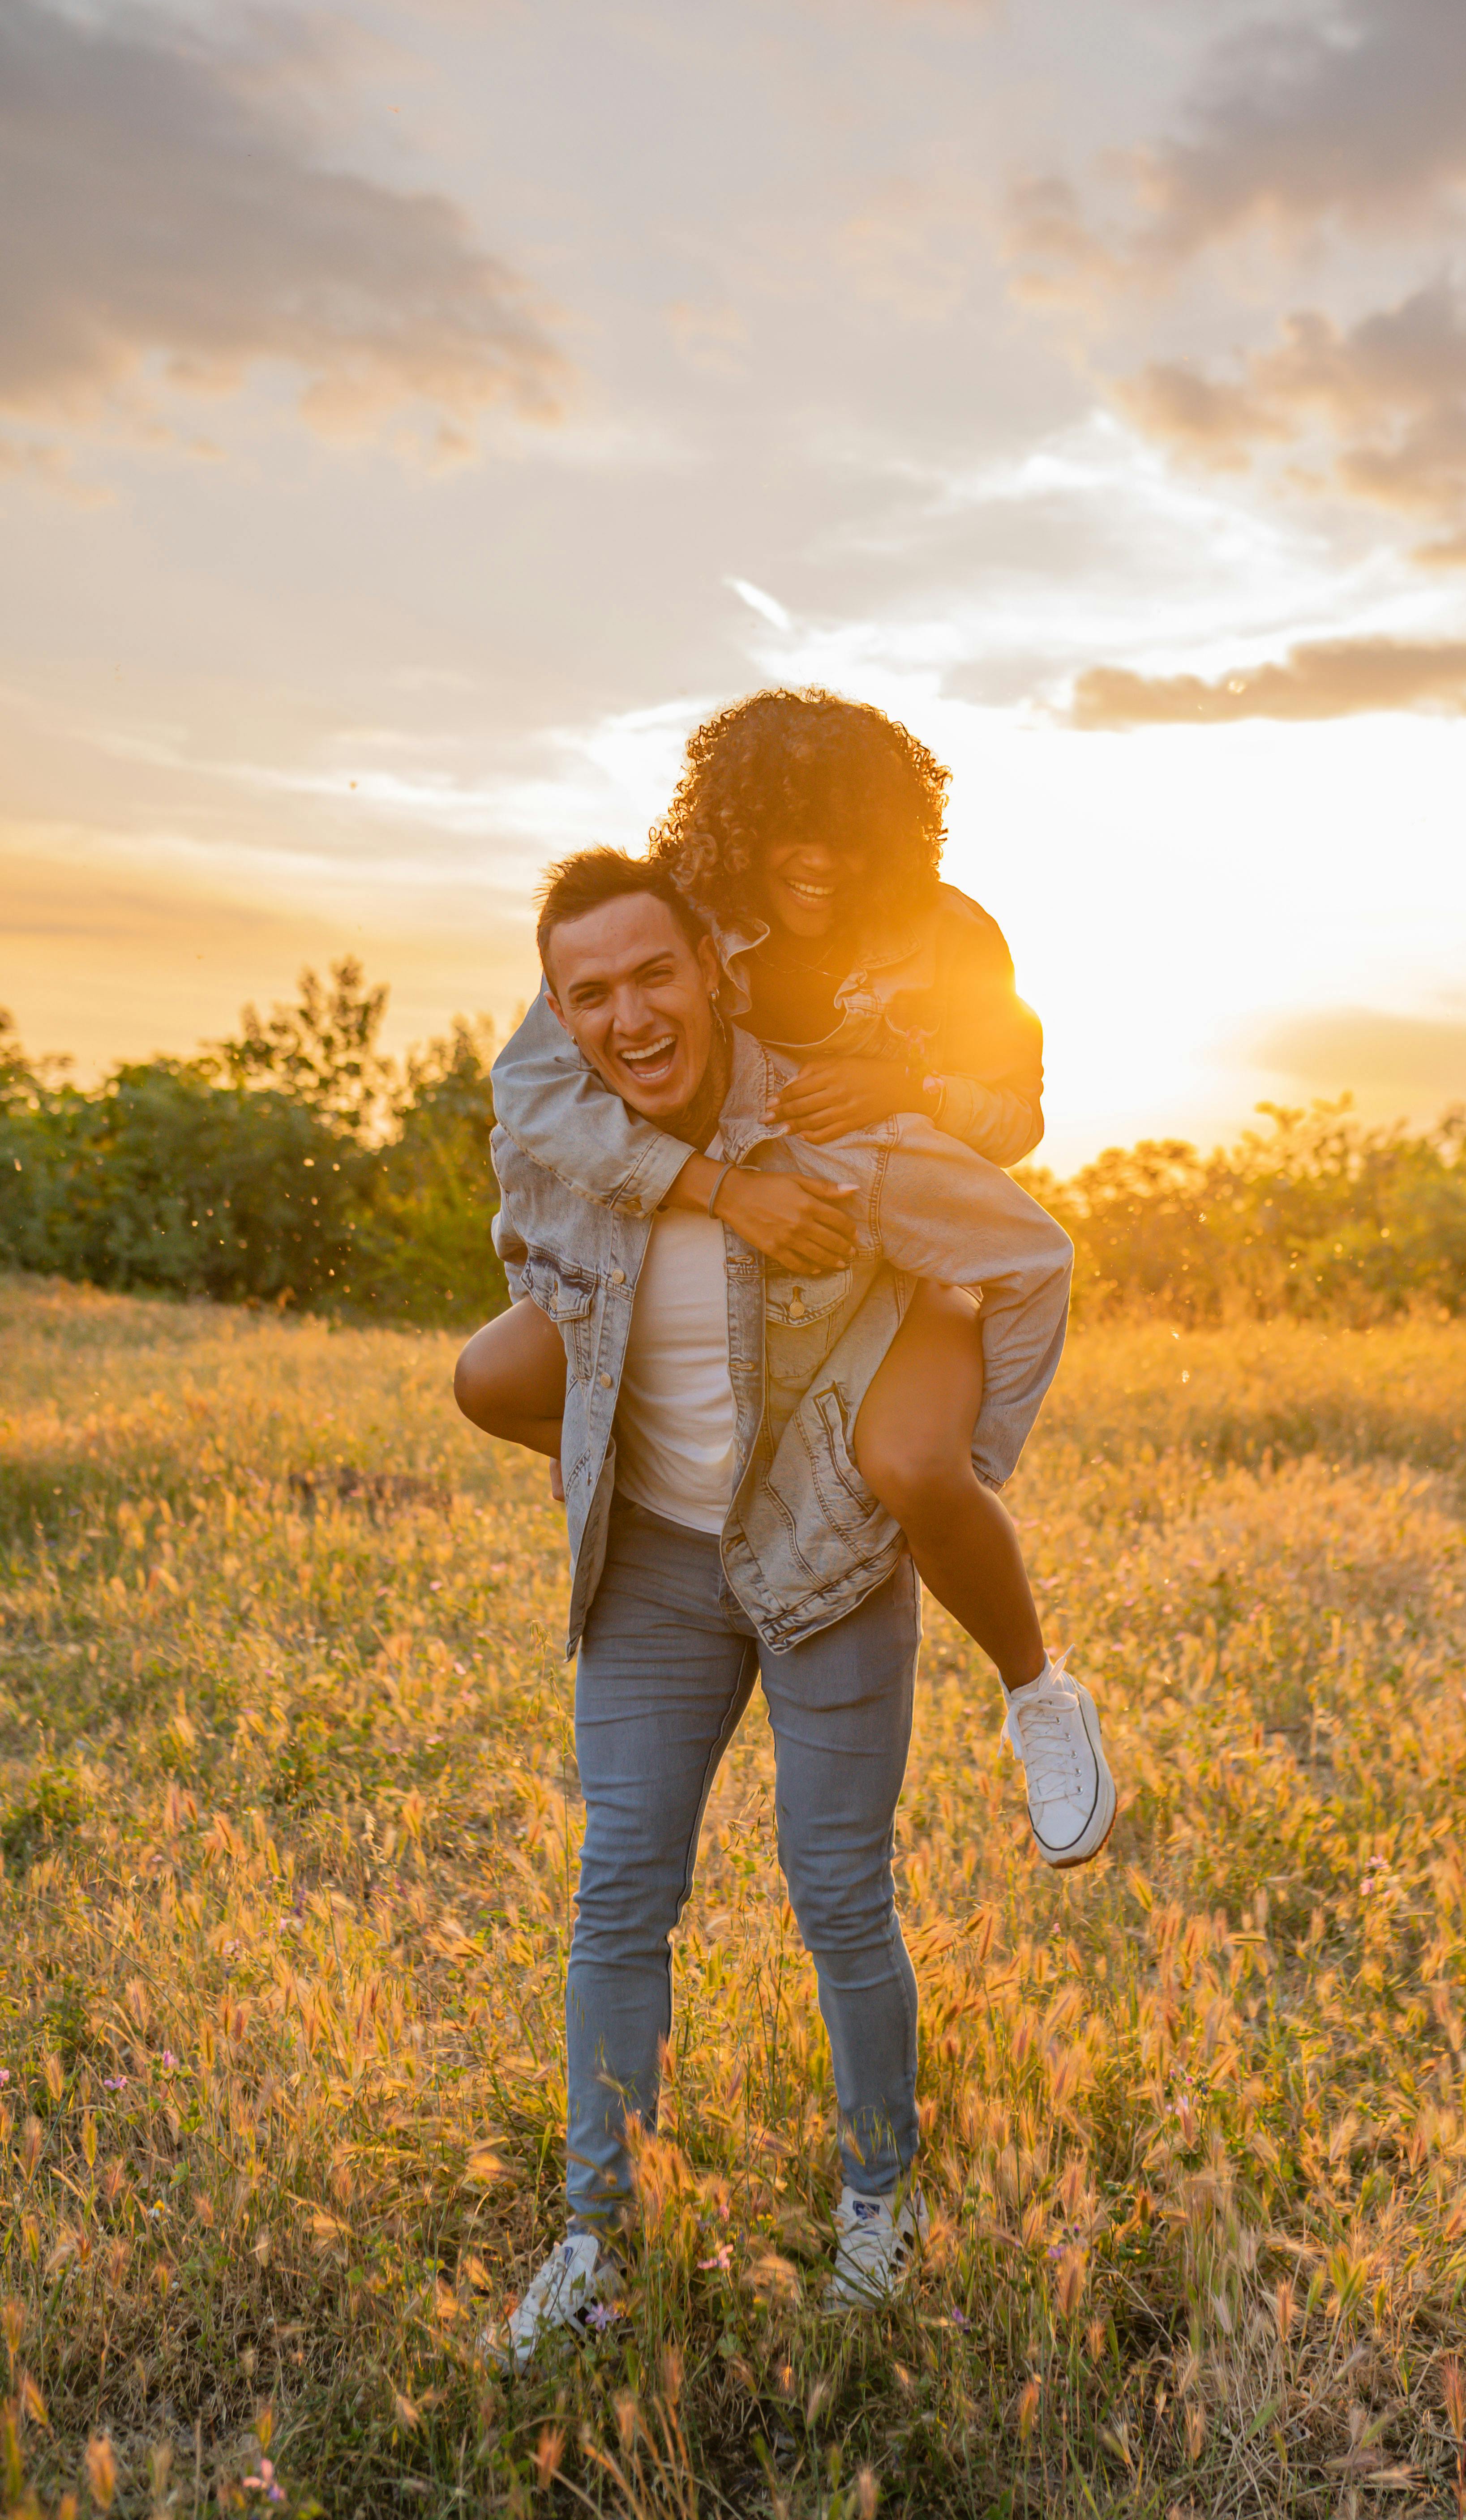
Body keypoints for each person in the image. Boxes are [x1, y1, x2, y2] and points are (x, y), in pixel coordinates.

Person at [455, 847, 1099, 2363]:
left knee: (839, 1899)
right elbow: (525, 1220)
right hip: (654, 1572)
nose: (629, 1015)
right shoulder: (568, 1133)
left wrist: (939, 1472)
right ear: (559, 1015)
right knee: (620, 1892)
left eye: (654, 975)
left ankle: (882, 2205)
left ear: (714, 971)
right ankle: (594, 2244)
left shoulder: (838, 1132)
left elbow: (1032, 1252)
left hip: (822, 1565)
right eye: (589, 994)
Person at [491, 686, 1102, 1864]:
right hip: (733, 1237)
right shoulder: (680, 914)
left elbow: (1016, 1117)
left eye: (849, 831)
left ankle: (1038, 1692)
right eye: (788, 828)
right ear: (731, 825)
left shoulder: (951, 934)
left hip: (899, 1240)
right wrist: (720, 1190)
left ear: (896, 834)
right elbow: (536, 1083)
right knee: (493, 1375)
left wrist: (910, 1090)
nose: (817, 860)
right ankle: (710, 1510)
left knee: (910, 1467)